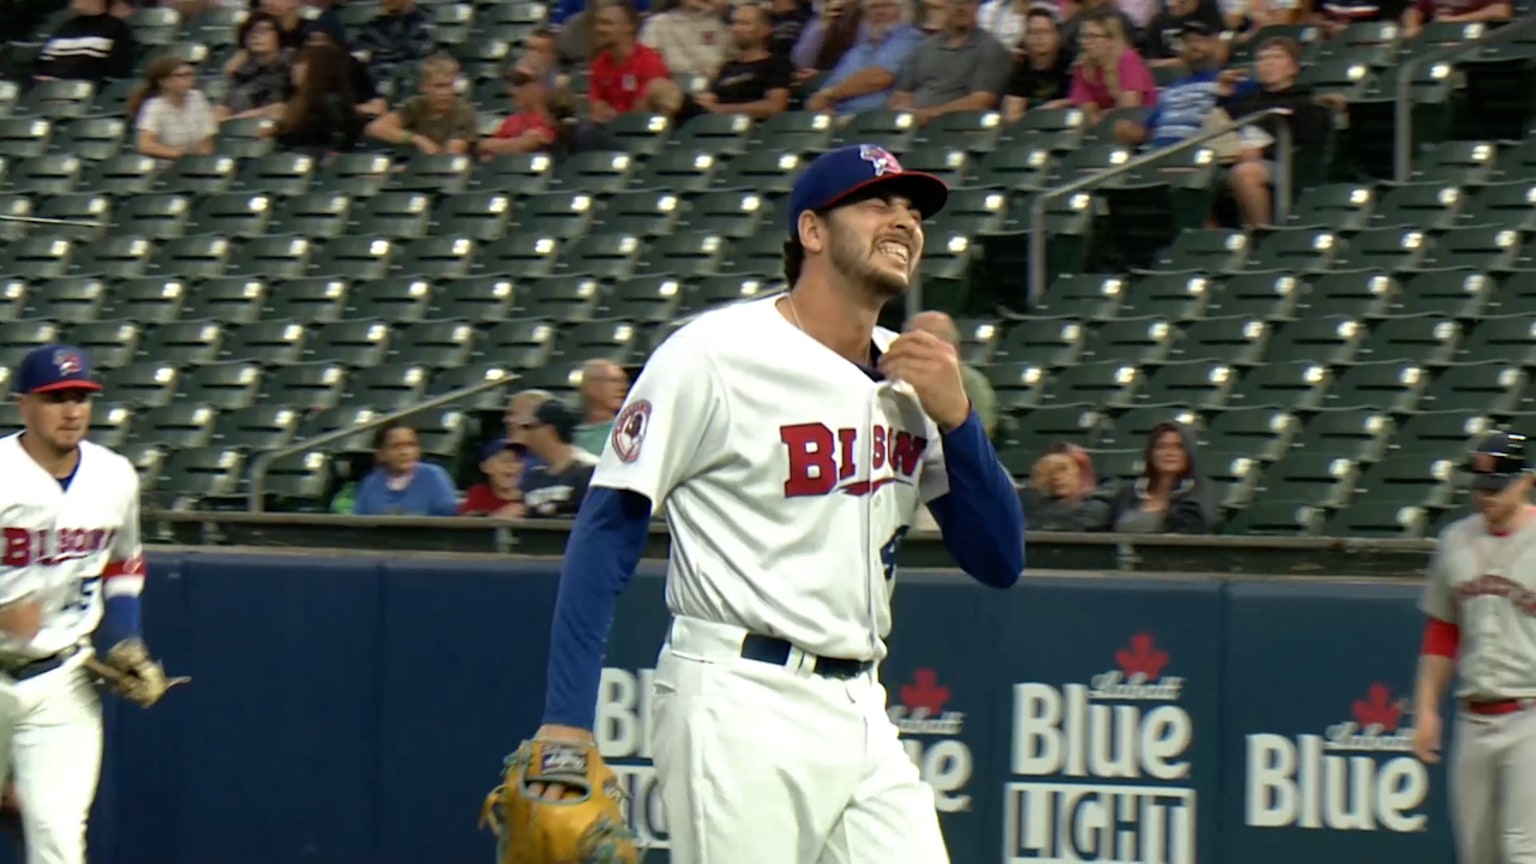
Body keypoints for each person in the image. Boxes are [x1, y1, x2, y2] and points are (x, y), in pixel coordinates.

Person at [526, 143, 1025, 861]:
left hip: (862, 703)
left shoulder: (915, 375)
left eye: (914, 211)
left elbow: (999, 560)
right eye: (877, 203)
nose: (904, 221)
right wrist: (566, 720)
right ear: (812, 231)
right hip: (738, 697)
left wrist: (960, 422)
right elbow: (608, 530)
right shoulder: (713, 353)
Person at [0, 344, 174, 864]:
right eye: (55, 398)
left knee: (58, 837)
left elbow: (124, 562)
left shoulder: (114, 476)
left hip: (63, 677)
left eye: (80, 397)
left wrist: (126, 635)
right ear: (23, 405)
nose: (72, 410)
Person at [1414, 431, 1536, 864]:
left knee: (1524, 850)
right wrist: (1426, 710)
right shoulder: (1455, 540)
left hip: (1530, 714)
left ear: (1526, 481)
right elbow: (1443, 630)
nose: (1486, 496)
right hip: (1473, 717)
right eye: (1480, 486)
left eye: (1497, 487)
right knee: (1477, 854)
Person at [1106, 420, 1218, 533]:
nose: (1169, 453)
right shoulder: (1129, 493)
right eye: (1161, 447)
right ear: (1151, 453)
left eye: (1179, 447)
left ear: (1189, 453)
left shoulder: (1200, 493)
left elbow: (1194, 529)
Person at [507, 396, 598, 519]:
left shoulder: (590, 470)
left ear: (549, 430)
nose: (527, 434)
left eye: (530, 427)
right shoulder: (533, 478)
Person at [351, 422, 459, 516]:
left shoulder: (434, 477)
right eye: (396, 446)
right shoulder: (370, 483)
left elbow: (448, 519)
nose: (404, 452)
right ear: (381, 454)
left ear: (418, 450)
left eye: (410, 445)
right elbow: (359, 522)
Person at [129, 57, 217, 161]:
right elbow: (145, 145)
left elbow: (206, 140)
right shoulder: (154, 106)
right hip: (165, 165)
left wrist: (199, 162)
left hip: (193, 163)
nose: (189, 79)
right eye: (182, 76)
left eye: (190, 74)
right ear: (164, 82)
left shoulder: (198, 97)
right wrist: (181, 157)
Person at [459, 439, 526, 517]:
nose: (512, 466)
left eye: (517, 461)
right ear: (485, 467)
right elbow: (465, 522)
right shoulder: (479, 494)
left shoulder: (530, 497)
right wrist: (497, 517)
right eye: (505, 460)